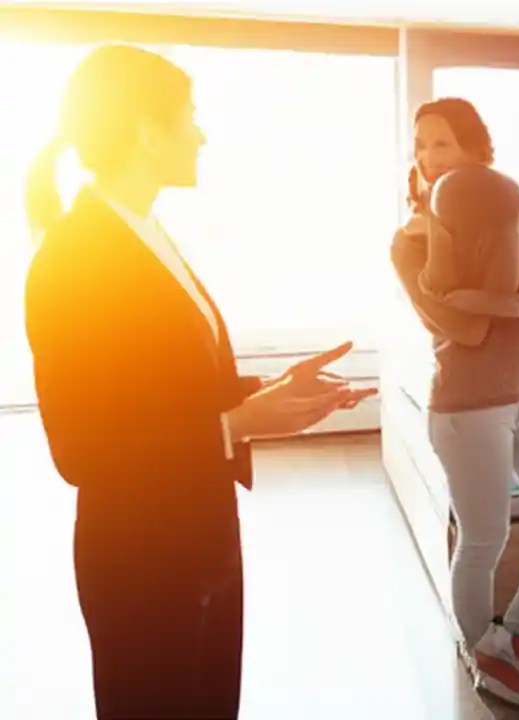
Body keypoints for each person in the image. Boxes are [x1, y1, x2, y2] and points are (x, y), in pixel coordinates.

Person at [23, 45, 375, 720]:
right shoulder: (72, 258)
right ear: (146, 131)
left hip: (201, 536)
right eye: (188, 115)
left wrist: (266, 387)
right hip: (140, 560)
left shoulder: (145, 231)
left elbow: (161, 381)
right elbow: (80, 449)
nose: (202, 132)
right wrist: (236, 425)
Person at [388, 97, 519, 707]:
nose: (428, 157)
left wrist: (515, 292)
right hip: (466, 407)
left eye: (443, 144)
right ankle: (481, 652)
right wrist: (515, 299)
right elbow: (469, 329)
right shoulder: (410, 244)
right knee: (483, 539)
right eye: (421, 145)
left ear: (476, 152)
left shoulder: (502, 209)